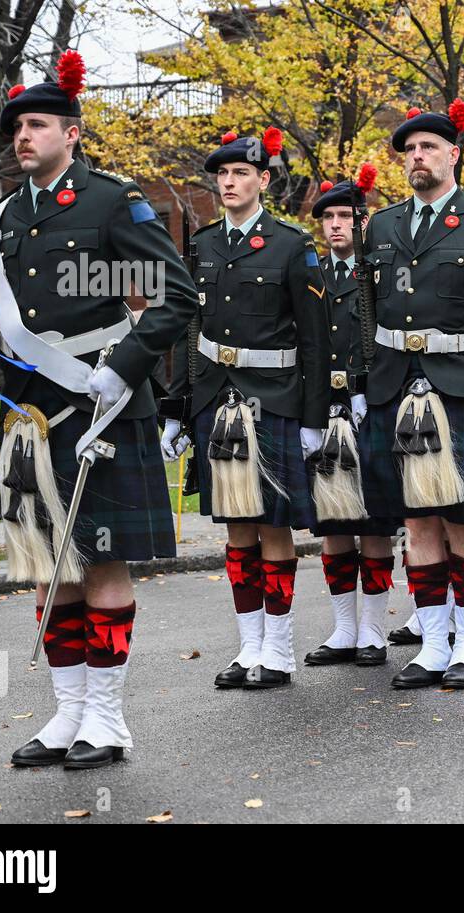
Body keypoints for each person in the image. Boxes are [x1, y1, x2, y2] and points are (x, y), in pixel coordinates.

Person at [0, 51, 198, 768]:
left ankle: (107, 717)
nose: (24, 136)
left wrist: (126, 369)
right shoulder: (4, 219)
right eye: (17, 126)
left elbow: (175, 297)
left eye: (38, 123)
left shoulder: (111, 200)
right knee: (50, 568)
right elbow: (2, 320)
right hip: (33, 414)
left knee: (104, 562)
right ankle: (66, 710)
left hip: (104, 402)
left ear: (71, 133)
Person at [354, 103, 464, 689]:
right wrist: (364, 385)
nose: (418, 157)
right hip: (397, 389)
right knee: (417, 522)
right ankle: (432, 644)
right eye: (409, 150)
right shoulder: (380, 227)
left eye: (429, 147)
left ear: (454, 155)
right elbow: (365, 314)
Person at [162, 128, 330, 692]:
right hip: (216, 398)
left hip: (275, 398)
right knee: (236, 528)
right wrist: (177, 409)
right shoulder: (202, 245)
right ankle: (248, 645)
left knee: (274, 525)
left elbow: (314, 342)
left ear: (264, 180)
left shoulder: (292, 244)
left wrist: (312, 420)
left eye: (240, 174)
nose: (229, 183)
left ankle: (278, 651)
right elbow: (187, 332)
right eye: (222, 174)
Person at [301, 168, 398, 669]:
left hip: (372, 408)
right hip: (325, 409)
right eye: (330, 217)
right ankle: (343, 628)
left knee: (375, 521)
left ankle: (374, 631)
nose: (337, 225)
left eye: (348, 216)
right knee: (335, 522)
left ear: (364, 221)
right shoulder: (310, 273)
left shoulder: (381, 270)